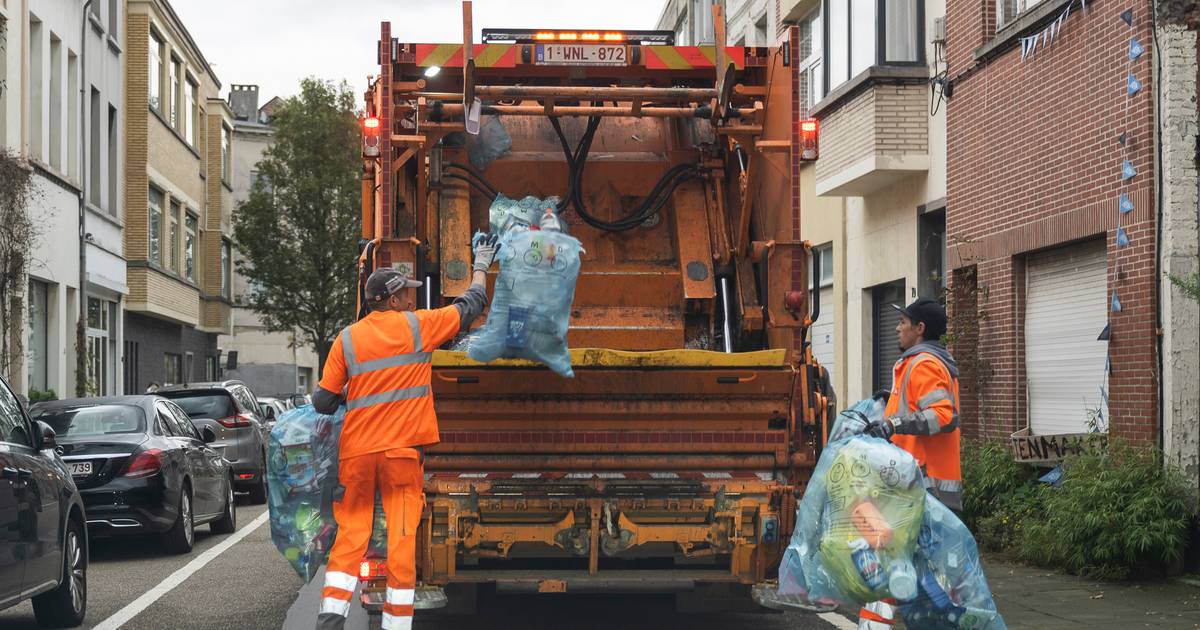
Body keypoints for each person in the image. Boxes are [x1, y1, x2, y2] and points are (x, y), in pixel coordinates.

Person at [311, 234, 500, 630]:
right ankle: (396, 626)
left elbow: (322, 402)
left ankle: (330, 617)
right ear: (392, 300)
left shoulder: (347, 339)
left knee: (353, 534)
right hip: (401, 456)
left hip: (358, 455)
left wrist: (352, 393)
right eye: (406, 296)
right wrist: (481, 265)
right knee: (399, 538)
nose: (411, 301)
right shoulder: (418, 328)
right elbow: (470, 307)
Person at [858, 297, 962, 629]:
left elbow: (944, 416)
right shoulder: (916, 364)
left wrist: (894, 424)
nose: (897, 328)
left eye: (903, 322)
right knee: (913, 573)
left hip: (921, 487)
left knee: (891, 568)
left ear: (920, 329)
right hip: (918, 486)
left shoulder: (925, 364)